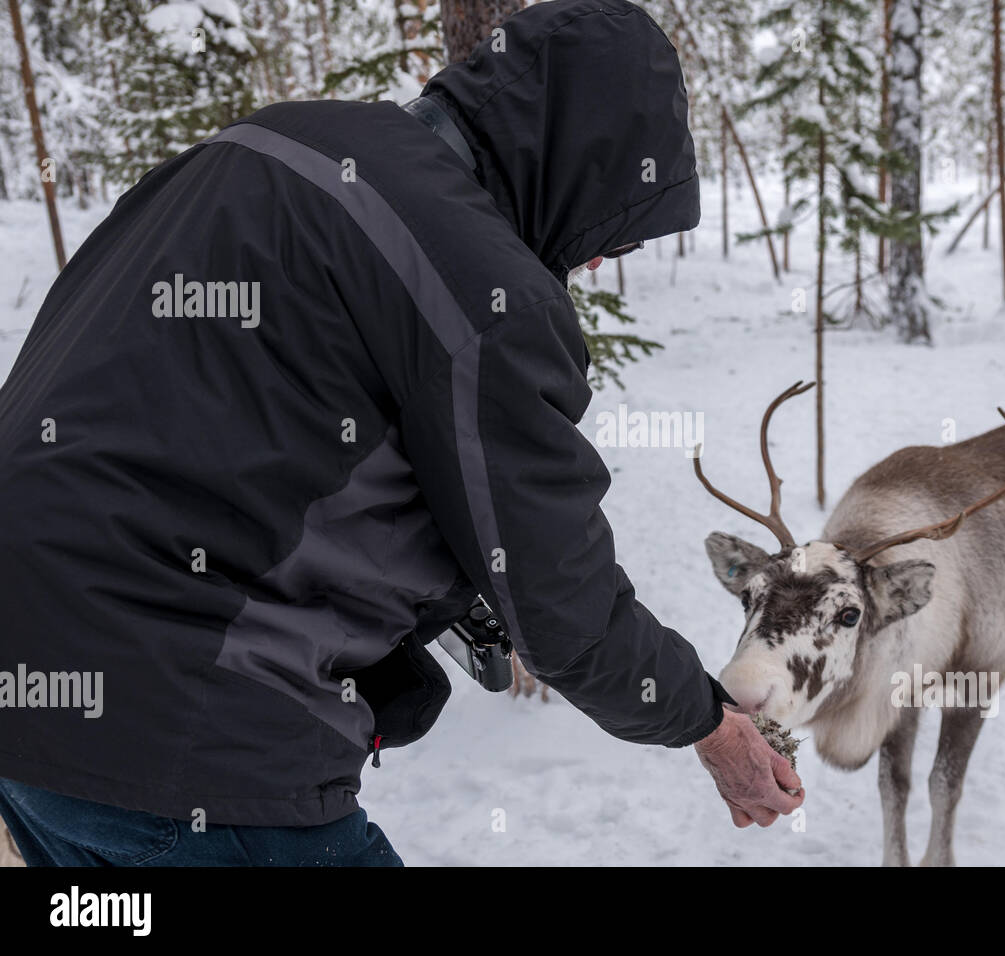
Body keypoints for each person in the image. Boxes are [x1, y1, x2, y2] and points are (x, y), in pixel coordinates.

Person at [0, 0, 802, 866]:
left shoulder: (268, 143)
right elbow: (562, 600)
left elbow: (226, 441)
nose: (598, 259)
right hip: (186, 740)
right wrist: (705, 721)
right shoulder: (479, 284)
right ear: (579, 158)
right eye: (608, 224)